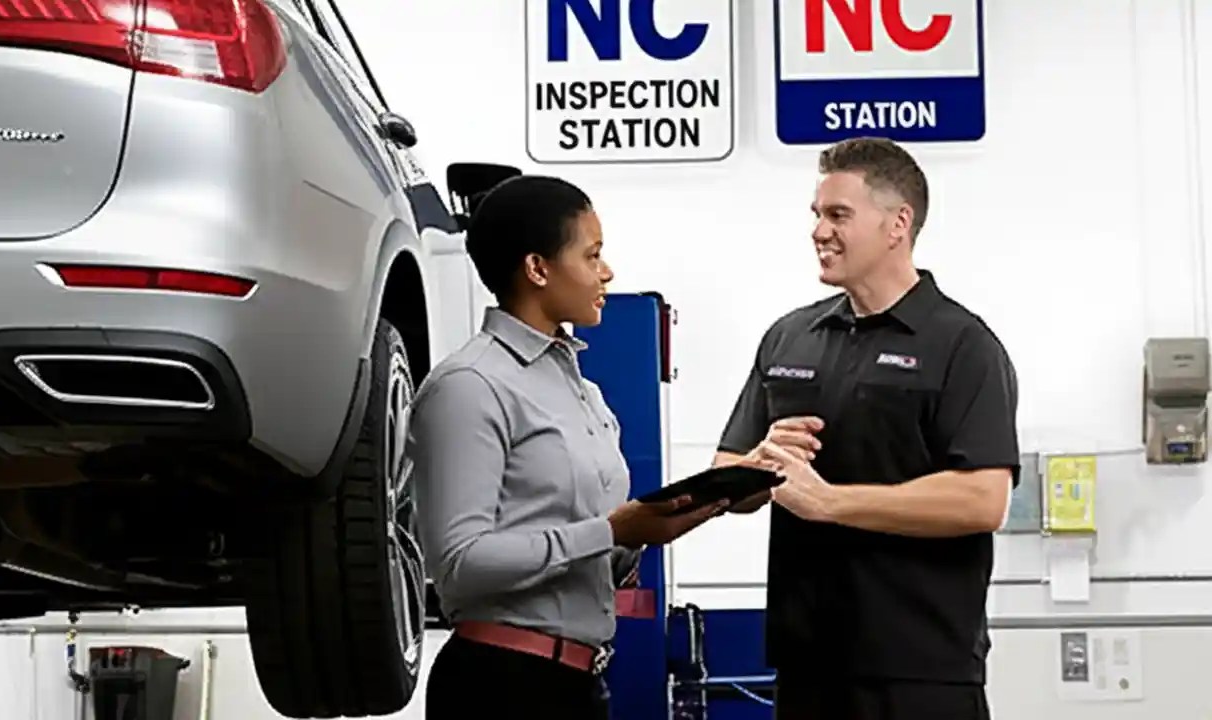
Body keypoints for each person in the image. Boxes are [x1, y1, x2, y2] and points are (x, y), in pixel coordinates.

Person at [714, 136, 1019, 720]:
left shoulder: (962, 345)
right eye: (817, 214)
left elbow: (983, 499)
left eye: (838, 215)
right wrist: (756, 465)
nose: (818, 231)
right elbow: (725, 476)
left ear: (897, 224)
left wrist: (831, 503)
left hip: (921, 671)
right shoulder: (788, 338)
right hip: (807, 665)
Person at [409, 174, 729, 720]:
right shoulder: (469, 386)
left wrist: (684, 514)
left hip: (579, 684)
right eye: (593, 255)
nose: (607, 272)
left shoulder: (587, 394)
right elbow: (459, 564)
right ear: (538, 268)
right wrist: (611, 529)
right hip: (499, 687)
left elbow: (597, 551)